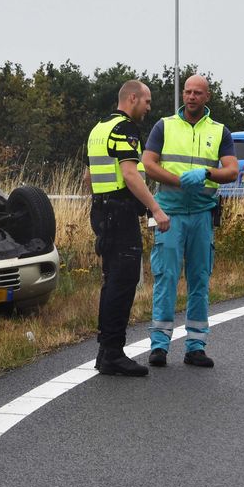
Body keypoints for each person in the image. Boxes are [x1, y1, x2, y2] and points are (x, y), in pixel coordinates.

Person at [142, 75, 238, 368]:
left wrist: (207, 174)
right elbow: (148, 163)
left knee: (199, 279)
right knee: (166, 277)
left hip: (201, 214)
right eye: (187, 91)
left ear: (207, 96)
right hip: (169, 213)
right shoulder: (164, 125)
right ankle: (159, 345)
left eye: (197, 92)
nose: (191, 97)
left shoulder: (220, 131)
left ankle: (196, 345)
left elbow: (232, 170)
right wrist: (181, 182)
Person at [86, 80, 170, 377]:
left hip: (102, 210)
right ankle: (113, 353)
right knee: (122, 283)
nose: (149, 107)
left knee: (111, 281)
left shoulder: (99, 128)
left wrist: (100, 204)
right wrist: (155, 209)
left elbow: (88, 176)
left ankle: (105, 350)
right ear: (132, 98)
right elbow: (130, 174)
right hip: (120, 213)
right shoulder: (125, 129)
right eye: (146, 101)